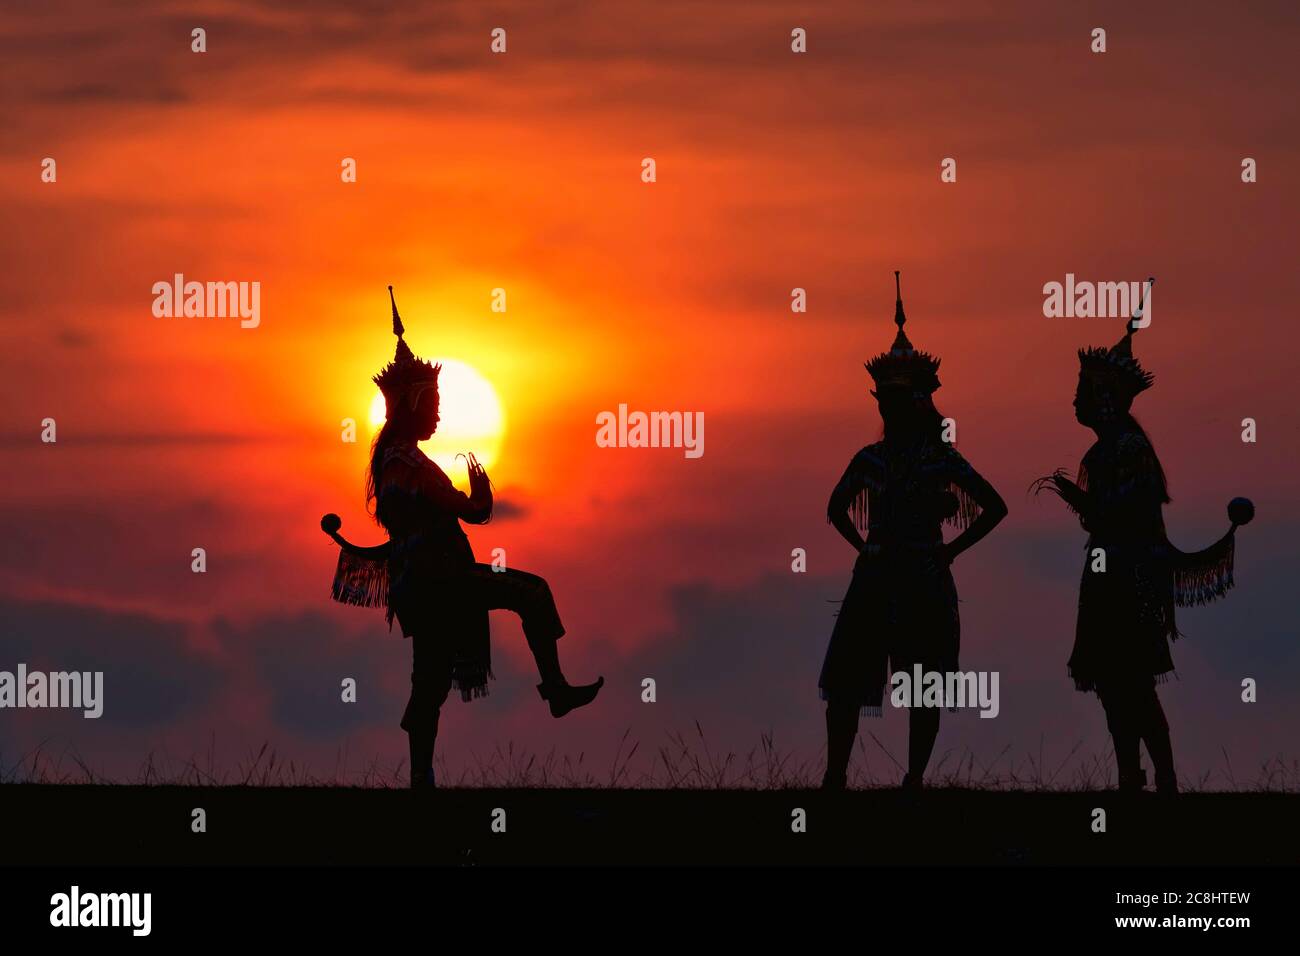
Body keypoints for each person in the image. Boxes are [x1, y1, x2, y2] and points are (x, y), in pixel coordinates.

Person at [322, 287, 603, 788]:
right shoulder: (413, 467)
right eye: (432, 403)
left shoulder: (390, 464)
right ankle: (555, 689)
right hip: (445, 580)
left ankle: (420, 775)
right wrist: (480, 487)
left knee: (428, 682)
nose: (437, 413)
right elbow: (473, 513)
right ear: (411, 404)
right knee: (532, 593)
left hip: (419, 586)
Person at [1034, 278, 1253, 795]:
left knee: (1130, 682)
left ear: (1105, 399)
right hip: (1111, 573)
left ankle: (1163, 778)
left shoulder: (1129, 449)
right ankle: (1132, 776)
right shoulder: (1107, 452)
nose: (1076, 401)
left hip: (1129, 577)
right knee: (1115, 685)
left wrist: (1085, 503)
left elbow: (1124, 514)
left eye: (1084, 392)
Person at [819, 273, 1007, 791]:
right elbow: (835, 509)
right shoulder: (886, 459)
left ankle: (911, 779)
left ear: (918, 402)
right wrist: (910, 552)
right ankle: (840, 776)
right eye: (883, 400)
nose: (887, 408)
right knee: (851, 681)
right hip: (900, 573)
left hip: (907, 574)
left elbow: (995, 507)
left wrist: (944, 554)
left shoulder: (923, 458)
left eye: (895, 400)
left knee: (915, 682)